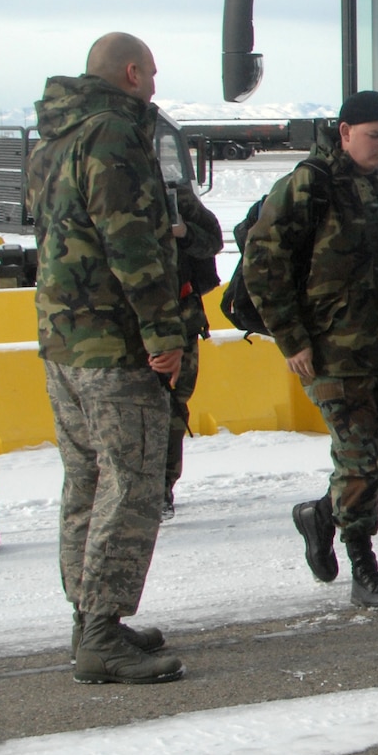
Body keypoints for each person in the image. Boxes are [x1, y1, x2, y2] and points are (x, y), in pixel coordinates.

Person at [244, 90, 378, 610]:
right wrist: (291, 338)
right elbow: (263, 264)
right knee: (359, 463)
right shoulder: (311, 185)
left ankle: (320, 514)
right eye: (373, 136)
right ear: (344, 133)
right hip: (332, 351)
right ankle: (364, 570)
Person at [28, 31, 186, 684]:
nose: (154, 84)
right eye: (151, 73)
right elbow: (129, 240)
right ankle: (101, 635)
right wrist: (163, 332)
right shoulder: (114, 135)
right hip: (113, 347)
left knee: (86, 482)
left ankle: (88, 621)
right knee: (130, 481)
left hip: (63, 341)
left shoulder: (55, 137)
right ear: (131, 73)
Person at [163, 180, 223, 519]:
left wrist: (183, 232)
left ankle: (162, 487)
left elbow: (212, 241)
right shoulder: (103, 192)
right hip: (122, 325)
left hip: (179, 319)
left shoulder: (174, 194)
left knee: (173, 407)